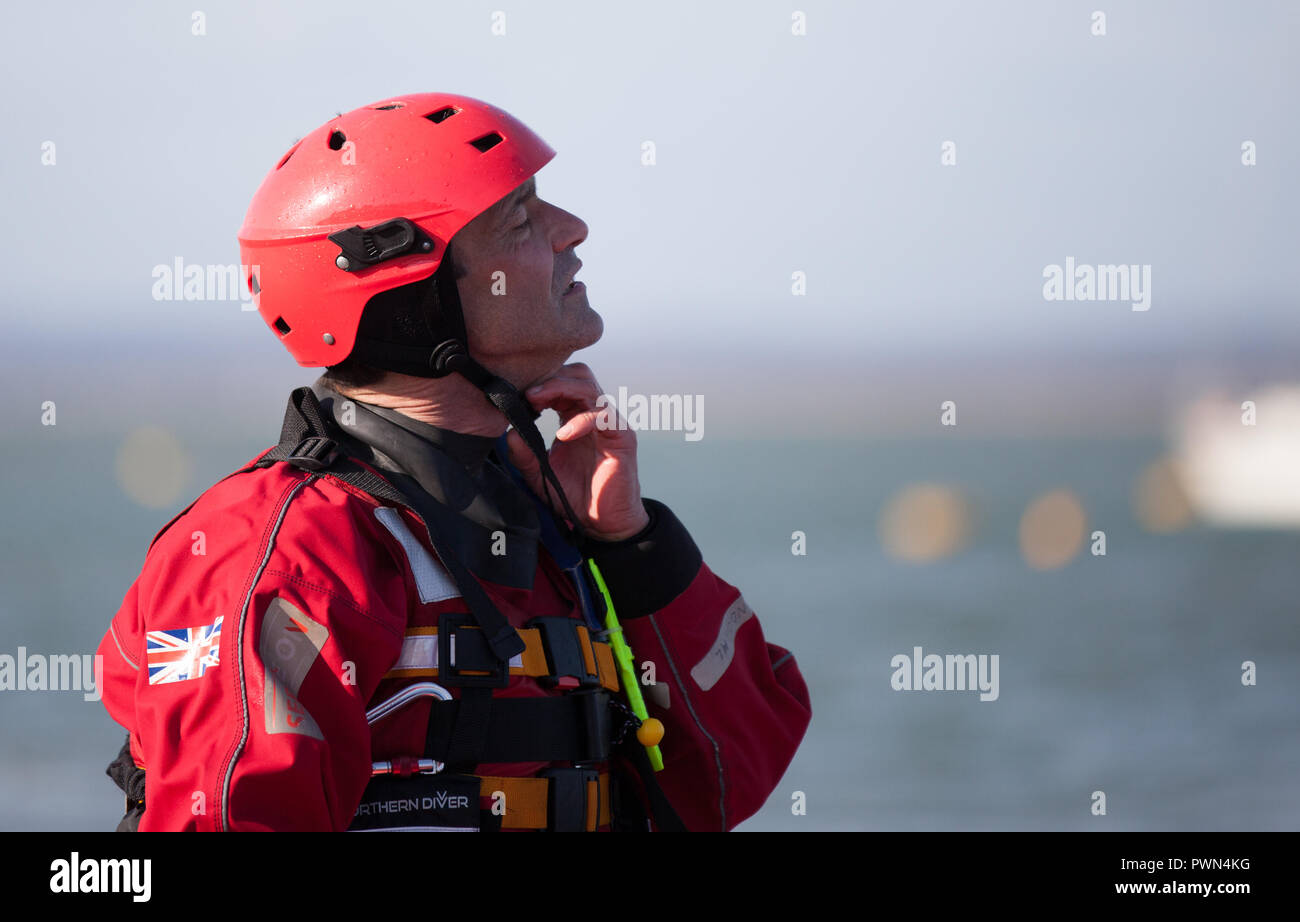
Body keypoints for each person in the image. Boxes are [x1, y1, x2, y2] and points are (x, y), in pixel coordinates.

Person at [96, 92, 811, 831]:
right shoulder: (288, 548)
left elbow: (729, 781)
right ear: (414, 298)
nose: (572, 230)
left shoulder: (544, 516)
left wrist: (628, 547)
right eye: (520, 218)